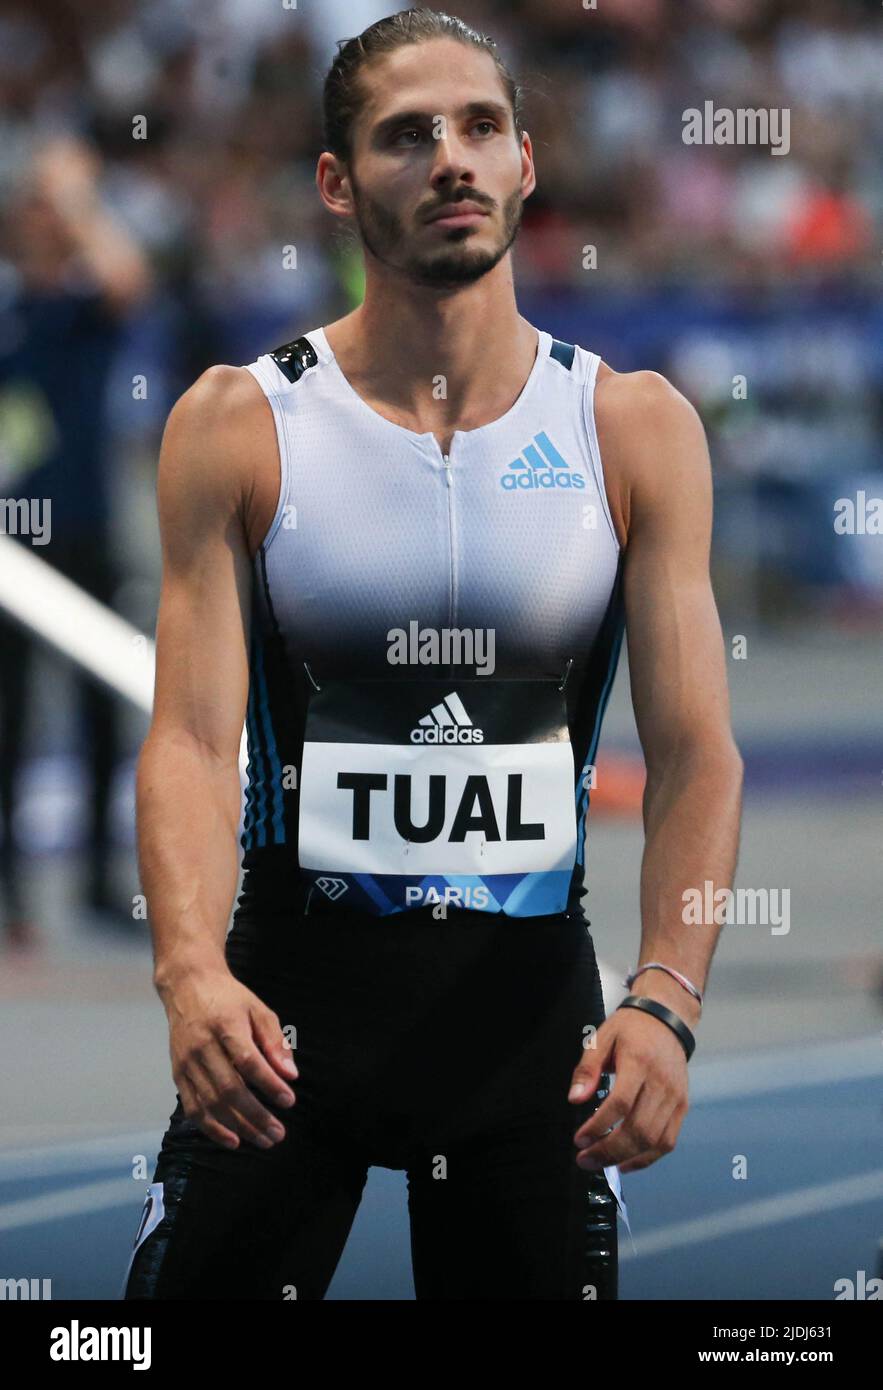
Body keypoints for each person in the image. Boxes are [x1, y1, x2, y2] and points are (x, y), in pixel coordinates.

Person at [123, 8, 742, 1301]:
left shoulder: (631, 429)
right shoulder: (240, 425)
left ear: (525, 161)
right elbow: (189, 739)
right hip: (285, 1035)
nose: (449, 158)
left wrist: (666, 997)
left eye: (478, 127)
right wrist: (188, 975)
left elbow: (692, 755)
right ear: (337, 186)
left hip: (531, 1050)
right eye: (407, 137)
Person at [0, 136, 150, 948]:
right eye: (34, 210)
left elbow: (130, 278)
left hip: (87, 531)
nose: (43, 225)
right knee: (10, 718)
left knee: (99, 717)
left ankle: (99, 883)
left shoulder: (85, 307)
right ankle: (13, 895)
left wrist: (79, 198)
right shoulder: (8, 310)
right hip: (11, 549)